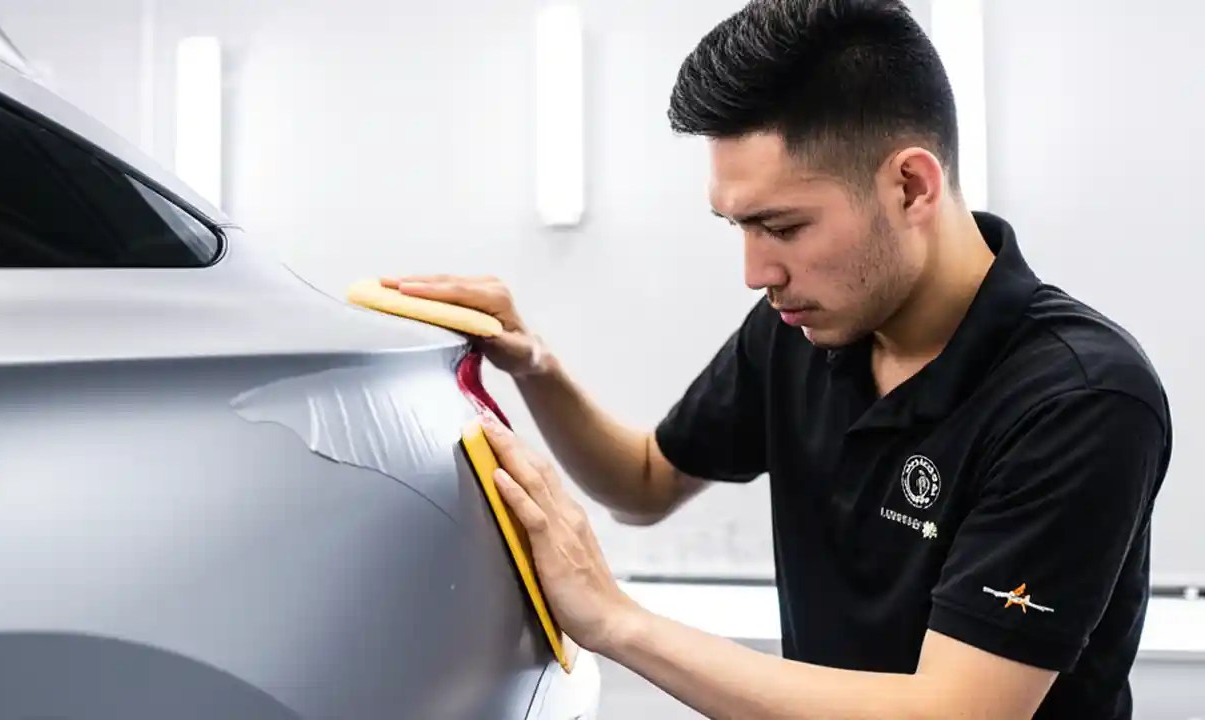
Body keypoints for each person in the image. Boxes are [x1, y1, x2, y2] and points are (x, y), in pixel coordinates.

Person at [384, 0, 1171, 717]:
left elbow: (957, 713)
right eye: (738, 227)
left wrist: (616, 621)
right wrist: (536, 367)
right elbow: (647, 483)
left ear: (910, 186)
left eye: (784, 227)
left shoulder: (1081, 398)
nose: (756, 272)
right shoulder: (801, 328)